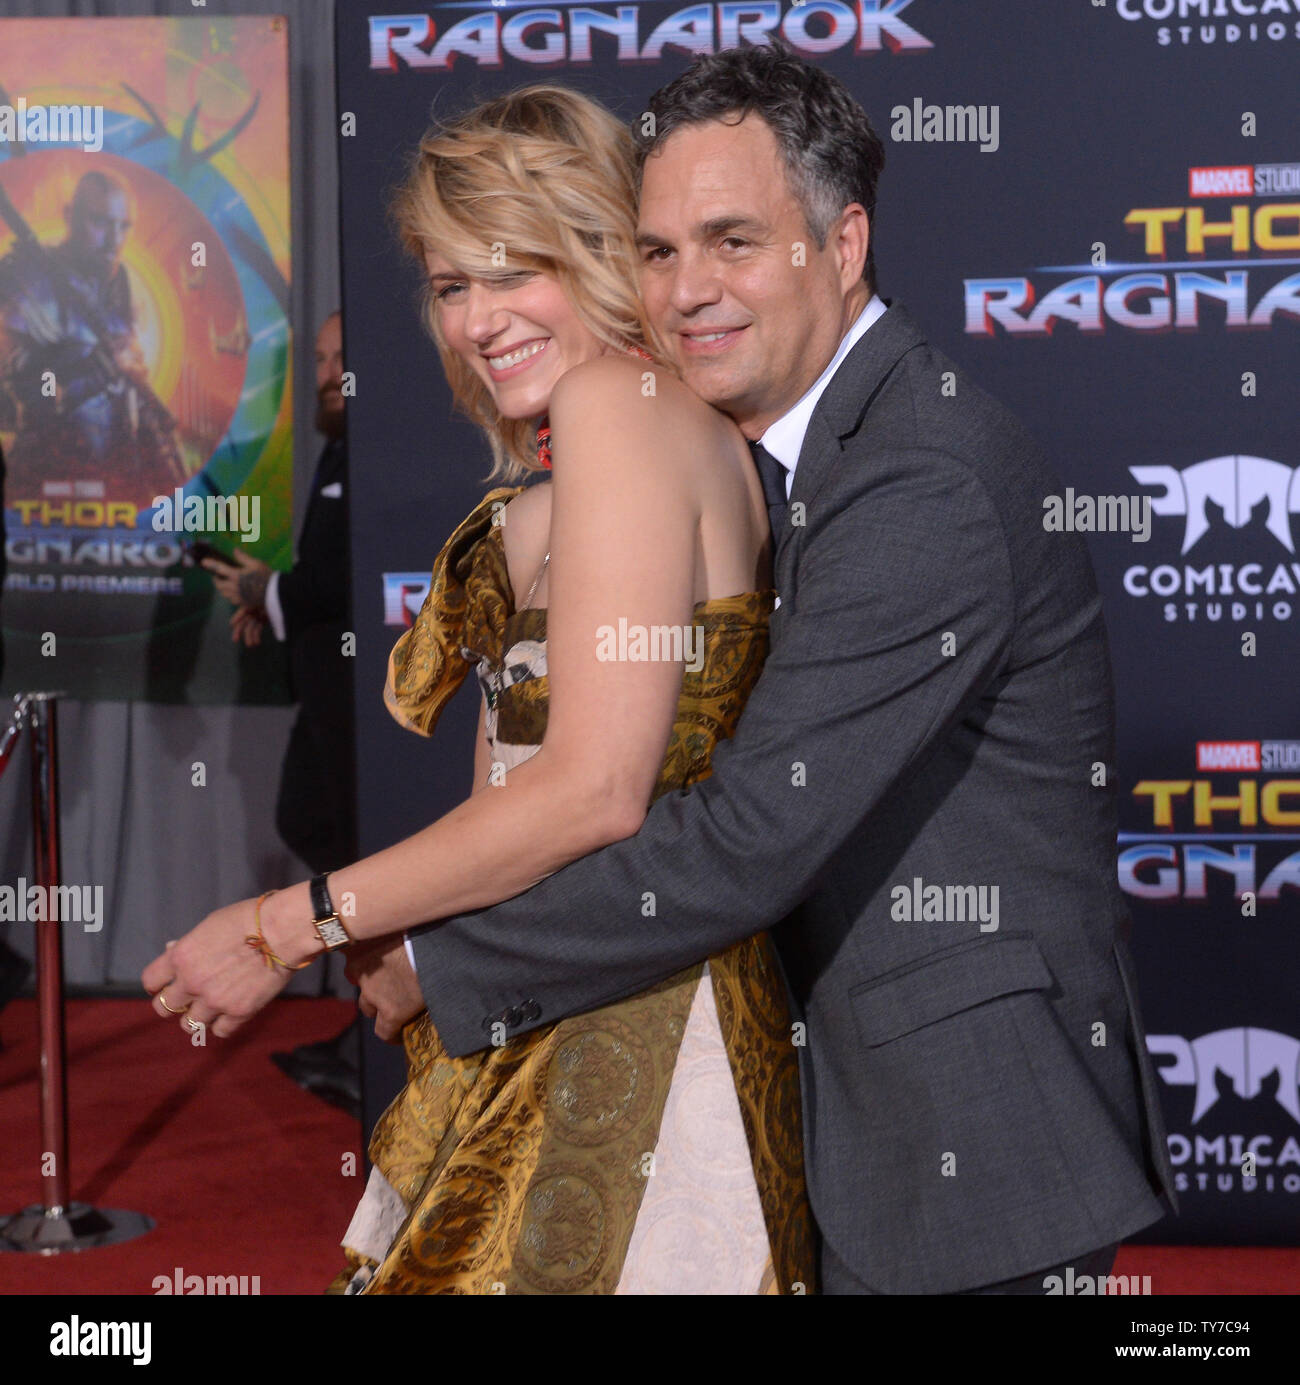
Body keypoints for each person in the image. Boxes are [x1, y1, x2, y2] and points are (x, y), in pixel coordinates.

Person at [353, 44, 1180, 1295]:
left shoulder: (921, 473)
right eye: (661, 250)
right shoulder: (757, 450)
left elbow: (745, 832)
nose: (690, 289)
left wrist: (426, 955)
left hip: (964, 1140)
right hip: (826, 1104)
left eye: (734, 241)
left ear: (842, 248)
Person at [142, 85, 813, 1295]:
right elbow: (518, 778)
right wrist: (434, 953)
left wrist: (286, 923)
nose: (478, 318)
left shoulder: (625, 403)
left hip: (644, 1038)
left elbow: (596, 790)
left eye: (516, 271)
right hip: (553, 998)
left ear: (603, 254)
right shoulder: (566, 475)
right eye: (453, 285)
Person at [204, 311, 361, 1117]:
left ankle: (377, 1030)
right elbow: (322, 576)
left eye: (342, 357)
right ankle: (371, 1015)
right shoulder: (338, 444)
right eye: (323, 358)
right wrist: (269, 600)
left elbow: (348, 579)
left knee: (353, 852)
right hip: (323, 692)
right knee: (307, 820)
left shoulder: (375, 446)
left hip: (360, 701)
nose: (329, 371)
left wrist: (265, 591)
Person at [0, 170, 184, 502]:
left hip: (122, 469)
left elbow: (131, 386)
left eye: (124, 226)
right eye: (100, 222)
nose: (115, 240)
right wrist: (94, 372)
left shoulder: (124, 283)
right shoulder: (32, 280)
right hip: (49, 478)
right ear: (70, 216)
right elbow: (30, 389)